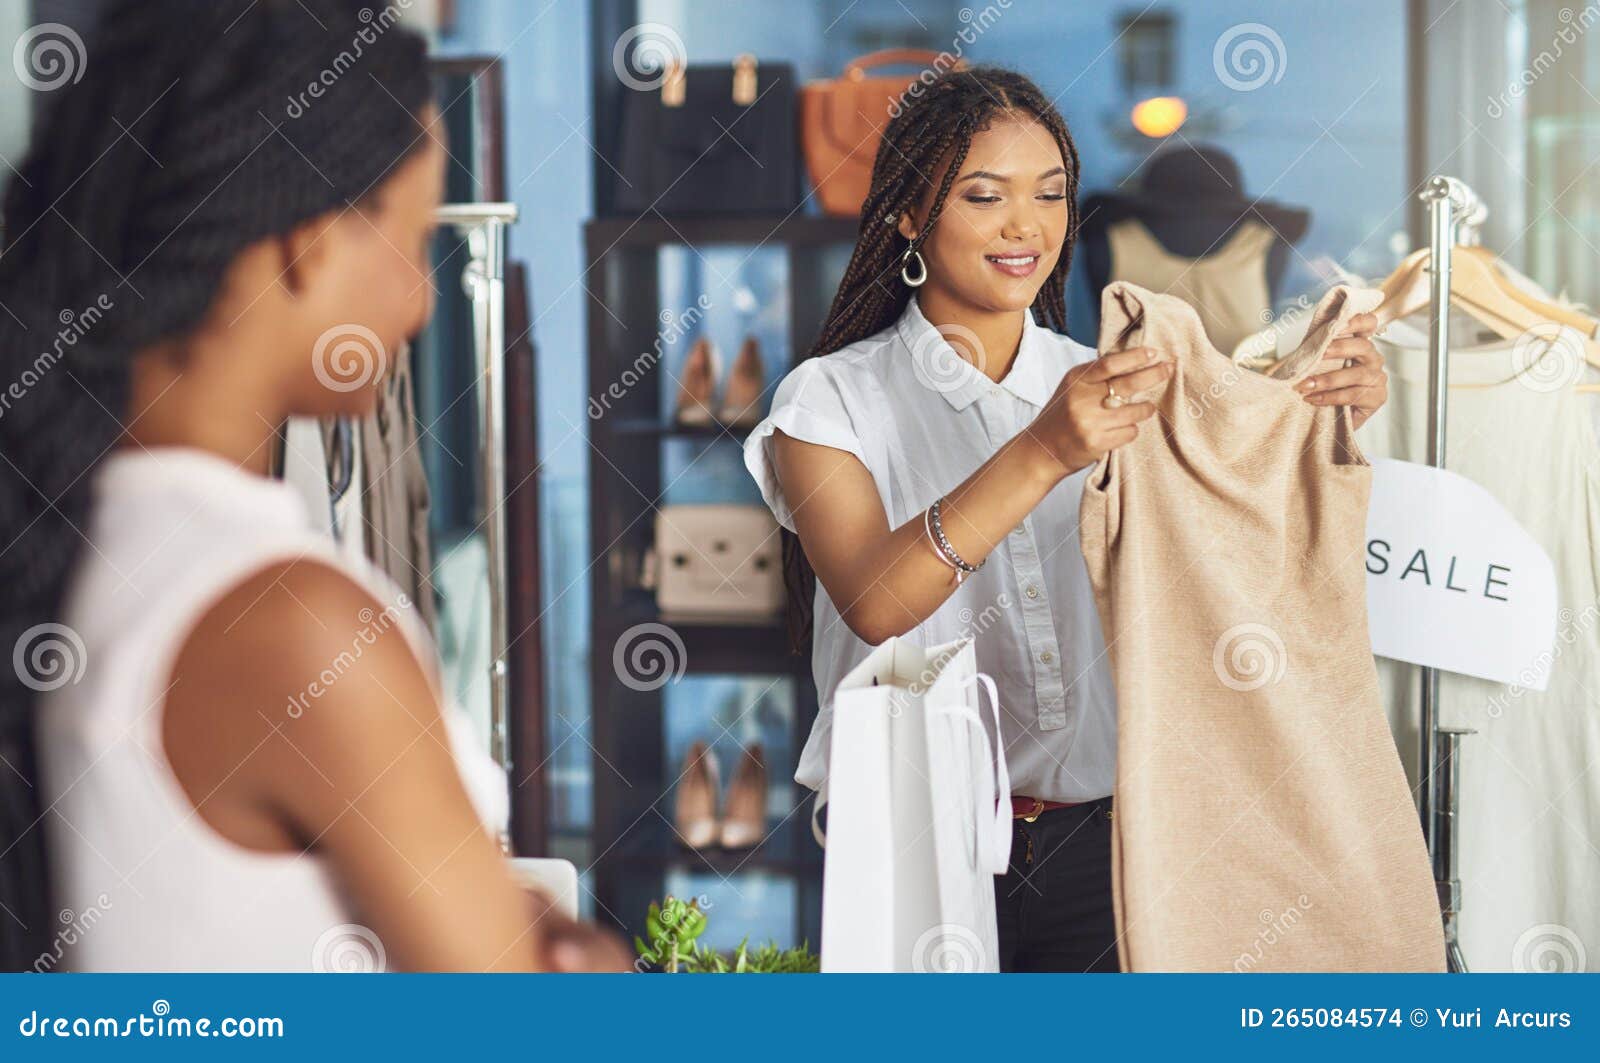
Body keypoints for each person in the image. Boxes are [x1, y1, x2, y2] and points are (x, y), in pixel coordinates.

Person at [0, 0, 626, 973]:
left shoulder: (66, 542)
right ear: (310, 242)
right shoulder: (294, 628)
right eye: (412, 242)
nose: (418, 301)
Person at [742, 66, 1389, 972]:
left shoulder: (1110, 377)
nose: (1026, 226)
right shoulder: (830, 401)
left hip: (1112, 841)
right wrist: (1044, 450)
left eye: (1051, 195)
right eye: (983, 195)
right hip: (915, 838)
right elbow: (876, 601)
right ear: (906, 217)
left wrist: (1324, 414)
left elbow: (1237, 542)